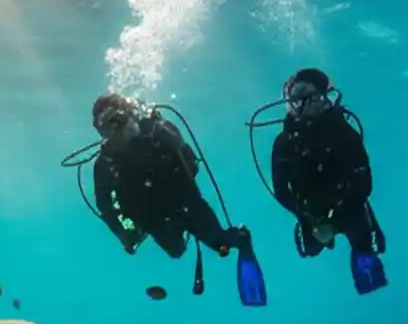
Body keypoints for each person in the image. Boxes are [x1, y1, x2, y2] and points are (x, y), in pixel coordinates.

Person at [89, 93, 266, 306]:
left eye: (119, 121)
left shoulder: (157, 130)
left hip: (186, 203)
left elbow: (191, 164)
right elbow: (104, 206)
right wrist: (122, 233)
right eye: (108, 127)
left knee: (220, 245)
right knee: (176, 251)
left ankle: (242, 240)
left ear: (130, 115)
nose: (117, 131)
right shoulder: (105, 164)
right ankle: (189, 235)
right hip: (153, 220)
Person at [270, 68, 387, 294]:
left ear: (322, 98)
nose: (299, 103)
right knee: (309, 251)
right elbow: (281, 190)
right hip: (310, 211)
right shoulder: (284, 143)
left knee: (364, 248)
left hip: (348, 205)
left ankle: (372, 292)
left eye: (307, 96)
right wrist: (307, 217)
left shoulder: (342, 132)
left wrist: (335, 217)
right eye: (294, 97)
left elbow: (364, 184)